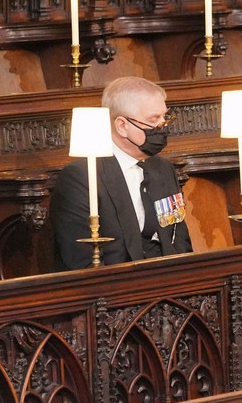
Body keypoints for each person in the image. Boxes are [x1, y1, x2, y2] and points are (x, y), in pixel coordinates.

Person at [50, 76, 193, 270]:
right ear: (122, 126)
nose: (163, 126)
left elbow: (179, 237)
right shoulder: (81, 177)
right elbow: (79, 256)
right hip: (115, 286)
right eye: (154, 119)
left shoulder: (163, 168)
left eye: (164, 117)